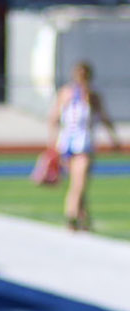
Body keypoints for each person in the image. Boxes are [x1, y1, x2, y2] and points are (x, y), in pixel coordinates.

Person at [48, 61, 120, 232]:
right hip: (67, 143)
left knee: (79, 181)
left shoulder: (92, 95)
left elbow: (103, 117)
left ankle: (77, 217)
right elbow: (54, 118)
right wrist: (53, 144)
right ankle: (76, 217)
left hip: (84, 142)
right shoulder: (66, 93)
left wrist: (113, 138)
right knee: (78, 183)